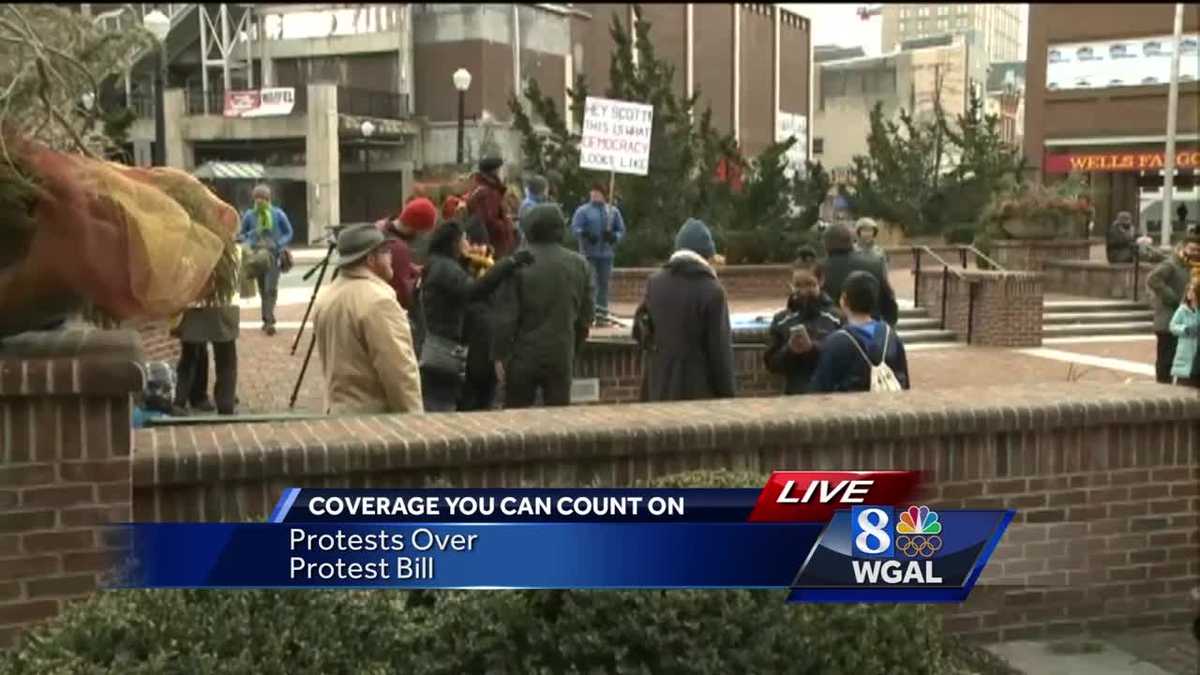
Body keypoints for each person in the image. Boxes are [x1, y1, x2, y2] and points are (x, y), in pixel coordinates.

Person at [419, 220, 533, 412]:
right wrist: (508, 263)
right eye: (464, 240)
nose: (467, 244)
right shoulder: (445, 268)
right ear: (453, 242)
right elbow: (474, 290)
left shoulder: (440, 265)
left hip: (446, 348)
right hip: (445, 352)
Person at [313, 223, 423, 415]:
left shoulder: (327, 296)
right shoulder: (378, 301)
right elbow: (399, 373)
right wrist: (415, 422)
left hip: (335, 415)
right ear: (371, 259)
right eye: (386, 251)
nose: (391, 257)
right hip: (373, 421)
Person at [501, 203, 594, 408]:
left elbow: (507, 317)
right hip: (561, 353)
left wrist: (503, 356)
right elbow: (586, 318)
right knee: (558, 426)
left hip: (522, 356)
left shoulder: (518, 263)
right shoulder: (579, 264)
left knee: (516, 424)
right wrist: (573, 348)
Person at [633, 218, 736, 402]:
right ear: (706, 254)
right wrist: (728, 395)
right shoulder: (712, 291)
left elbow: (641, 334)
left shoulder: (655, 283)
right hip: (698, 394)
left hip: (658, 390)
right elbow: (720, 353)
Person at [809, 271, 911, 393]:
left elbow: (820, 388)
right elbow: (904, 382)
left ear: (844, 300)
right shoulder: (892, 336)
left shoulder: (836, 342)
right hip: (888, 408)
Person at [173, 247, 242, 416]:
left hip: (193, 302)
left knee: (190, 356)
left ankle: (180, 401)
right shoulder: (228, 243)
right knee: (226, 357)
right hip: (222, 302)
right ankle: (225, 404)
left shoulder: (190, 237)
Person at [764, 255, 844, 395]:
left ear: (821, 281)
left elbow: (844, 358)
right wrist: (789, 350)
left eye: (809, 284)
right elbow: (771, 363)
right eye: (798, 286)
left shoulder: (836, 318)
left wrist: (813, 348)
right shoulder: (781, 320)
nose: (803, 291)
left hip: (830, 395)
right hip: (794, 395)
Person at [239, 184, 293, 336]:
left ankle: (269, 321)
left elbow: (289, 232)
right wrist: (250, 236)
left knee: (271, 288)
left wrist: (279, 244)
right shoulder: (250, 216)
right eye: (257, 198)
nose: (259, 201)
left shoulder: (278, 214)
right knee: (263, 289)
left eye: (262, 198)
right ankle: (266, 318)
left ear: (268, 199)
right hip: (257, 257)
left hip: (274, 255)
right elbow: (241, 235)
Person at [820, 223, 899, 326]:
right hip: (872, 329)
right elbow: (889, 299)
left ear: (826, 244)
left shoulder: (819, 269)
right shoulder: (875, 263)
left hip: (834, 329)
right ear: (851, 240)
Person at [571, 183, 627, 328]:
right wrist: (585, 234)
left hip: (606, 254)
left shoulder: (612, 212)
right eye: (593, 192)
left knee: (604, 284)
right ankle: (588, 314)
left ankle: (602, 314)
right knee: (590, 284)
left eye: (598, 193)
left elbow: (621, 230)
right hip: (588, 253)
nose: (594, 195)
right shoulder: (583, 211)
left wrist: (614, 237)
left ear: (604, 195)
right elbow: (575, 228)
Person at [1147, 235, 1200, 384]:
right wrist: (1172, 298)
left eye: (1198, 250)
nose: (1195, 252)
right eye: (1192, 249)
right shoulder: (1171, 264)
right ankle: (1163, 391)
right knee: (1166, 360)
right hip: (1167, 321)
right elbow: (1153, 279)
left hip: (1186, 321)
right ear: (1183, 248)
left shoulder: (1193, 267)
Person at [376, 197, 438, 312]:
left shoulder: (380, 229)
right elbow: (404, 294)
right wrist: (418, 282)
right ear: (415, 227)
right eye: (423, 232)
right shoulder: (399, 248)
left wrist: (410, 267)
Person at [467, 156, 517, 259]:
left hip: (493, 248)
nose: (504, 174)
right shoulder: (487, 194)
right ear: (495, 172)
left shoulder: (488, 189)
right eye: (502, 170)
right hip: (493, 250)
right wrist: (507, 226)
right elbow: (489, 223)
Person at [1169, 279, 1200, 388]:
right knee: (1185, 386)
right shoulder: (1182, 310)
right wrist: (1185, 329)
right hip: (1186, 351)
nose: (1190, 294)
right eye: (1188, 291)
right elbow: (1172, 326)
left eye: (1193, 291)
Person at [517, 174, 549, 240]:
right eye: (547, 189)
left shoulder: (539, 202)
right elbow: (529, 227)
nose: (547, 192)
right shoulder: (528, 205)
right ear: (542, 190)